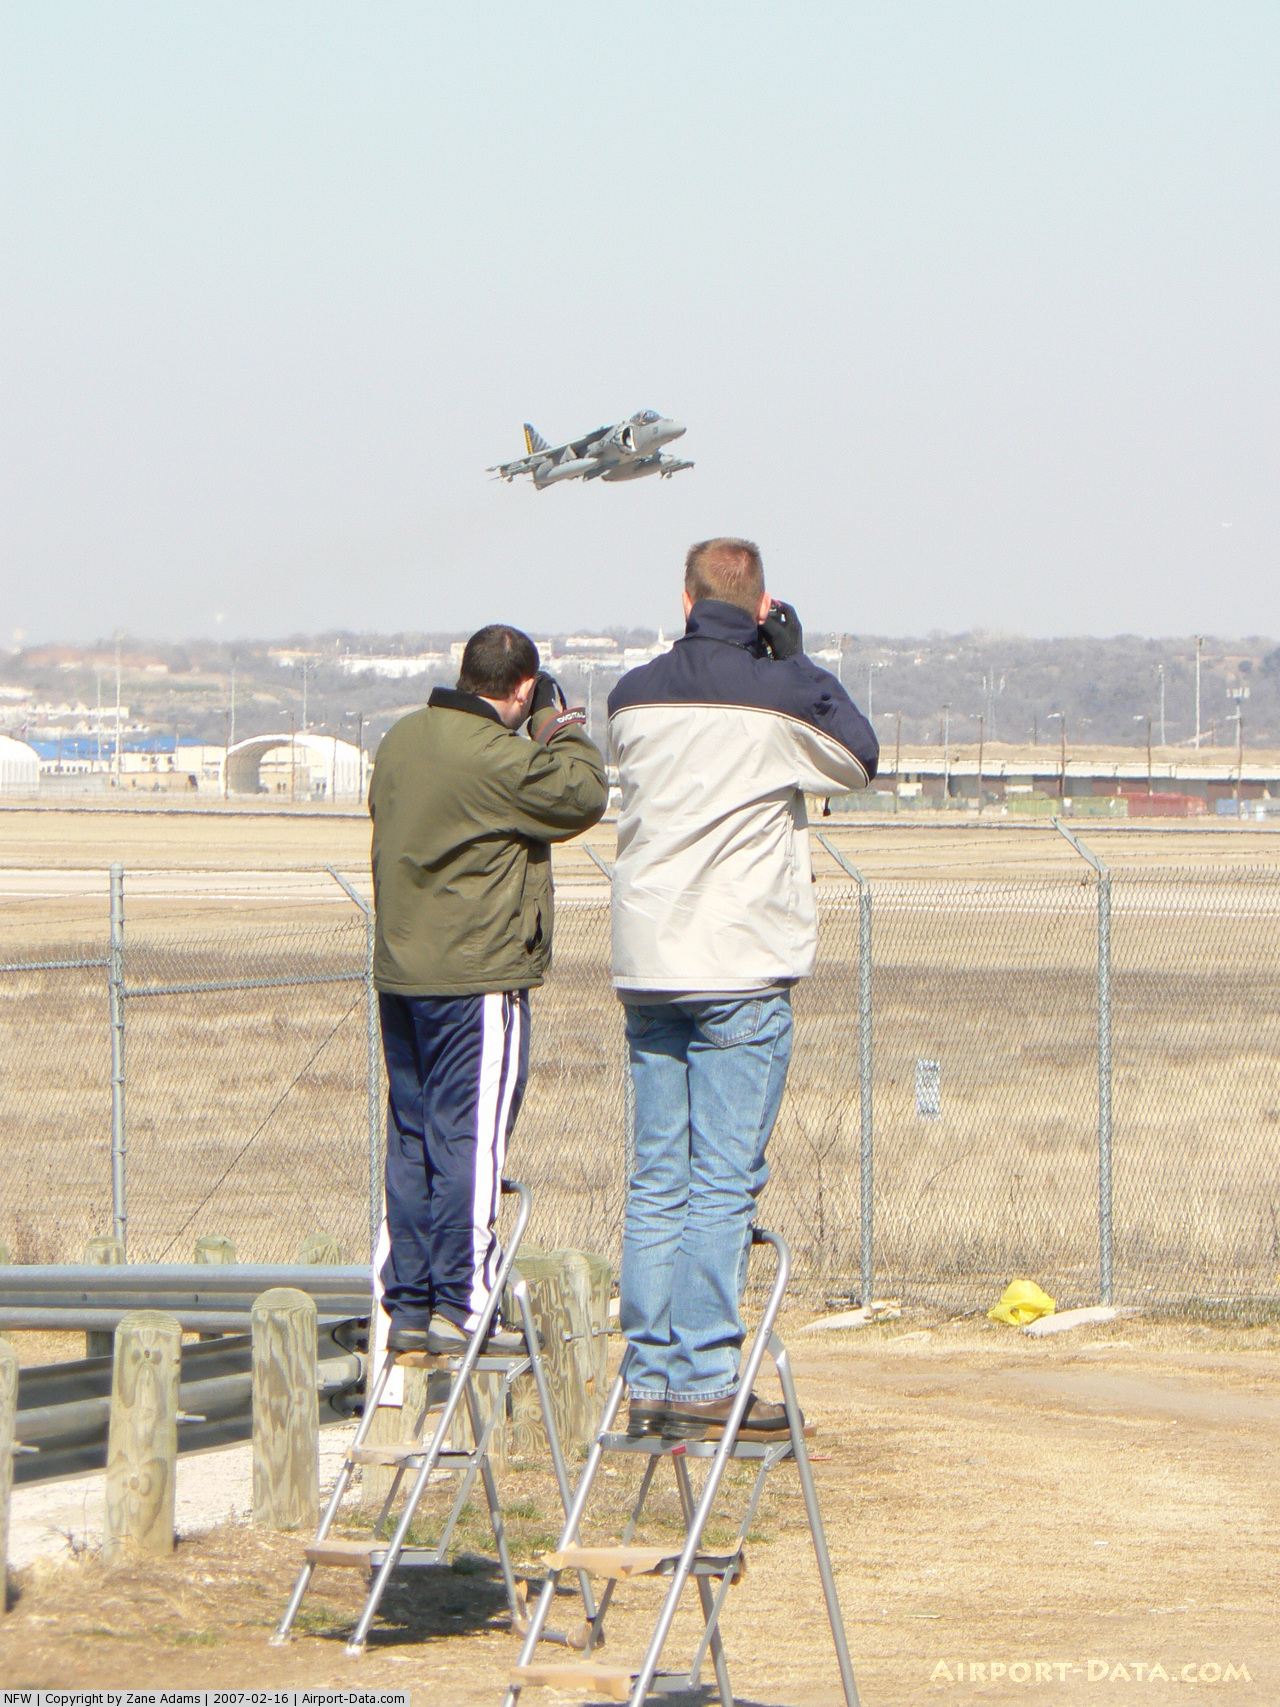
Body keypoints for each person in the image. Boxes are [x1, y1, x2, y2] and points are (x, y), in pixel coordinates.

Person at [607, 539, 879, 1438]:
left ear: (682, 596)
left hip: (648, 960)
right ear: (763, 606)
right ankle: (706, 1378)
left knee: (658, 1177)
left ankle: (647, 1379)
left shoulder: (632, 698)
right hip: (739, 961)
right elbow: (857, 756)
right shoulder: (778, 696)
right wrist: (793, 660)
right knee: (723, 1180)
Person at [369, 624, 607, 1355]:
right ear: (522, 687)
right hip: (475, 978)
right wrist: (559, 727)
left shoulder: (402, 740)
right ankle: (464, 1301)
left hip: (403, 971)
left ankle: (406, 1302)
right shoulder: (499, 758)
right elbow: (584, 793)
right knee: (470, 1138)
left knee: (413, 1136)